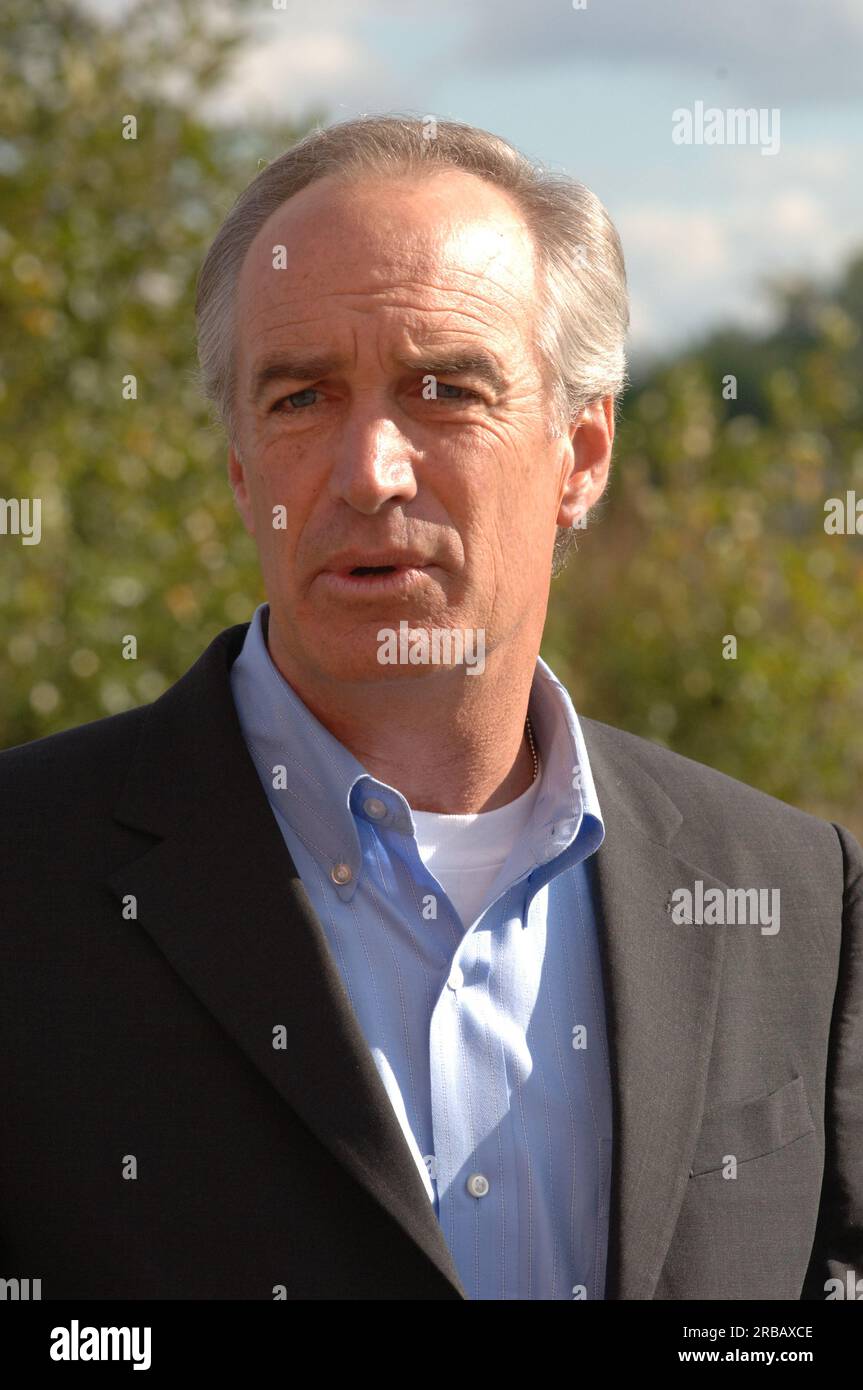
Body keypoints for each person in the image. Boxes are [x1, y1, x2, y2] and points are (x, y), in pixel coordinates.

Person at [0, 116, 860, 1302]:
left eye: (443, 387)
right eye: (300, 398)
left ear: (580, 452)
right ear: (242, 470)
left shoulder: (795, 895)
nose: (368, 470)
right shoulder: (25, 877)